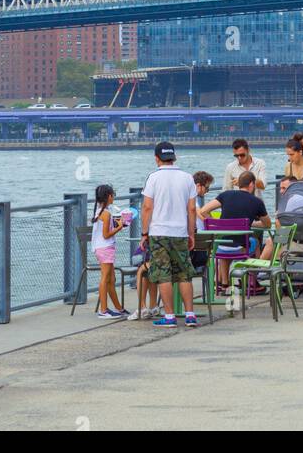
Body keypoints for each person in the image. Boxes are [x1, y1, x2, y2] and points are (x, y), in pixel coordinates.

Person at [140, 141, 199, 329]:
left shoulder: (153, 178)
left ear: (157, 158)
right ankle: (190, 315)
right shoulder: (187, 178)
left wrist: (144, 233)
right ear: (174, 157)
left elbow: (147, 207)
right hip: (180, 232)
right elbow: (191, 209)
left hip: (159, 233)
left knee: (163, 274)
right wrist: (191, 233)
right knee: (184, 274)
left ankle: (170, 316)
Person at [196, 171, 271, 285]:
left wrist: (218, 224)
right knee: (254, 242)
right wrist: (249, 224)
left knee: (226, 243)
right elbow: (267, 224)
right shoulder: (257, 202)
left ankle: (225, 282)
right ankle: (251, 281)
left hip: (219, 247)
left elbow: (203, 211)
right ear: (252, 184)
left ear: (238, 184)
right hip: (239, 249)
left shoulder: (225, 195)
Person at [91, 184, 128, 319]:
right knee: (105, 278)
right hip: (105, 248)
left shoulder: (100, 211)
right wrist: (119, 227)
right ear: (109, 197)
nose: (113, 198)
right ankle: (103, 310)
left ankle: (118, 308)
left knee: (111, 279)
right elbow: (106, 235)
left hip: (102, 248)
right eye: (113, 195)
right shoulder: (106, 214)